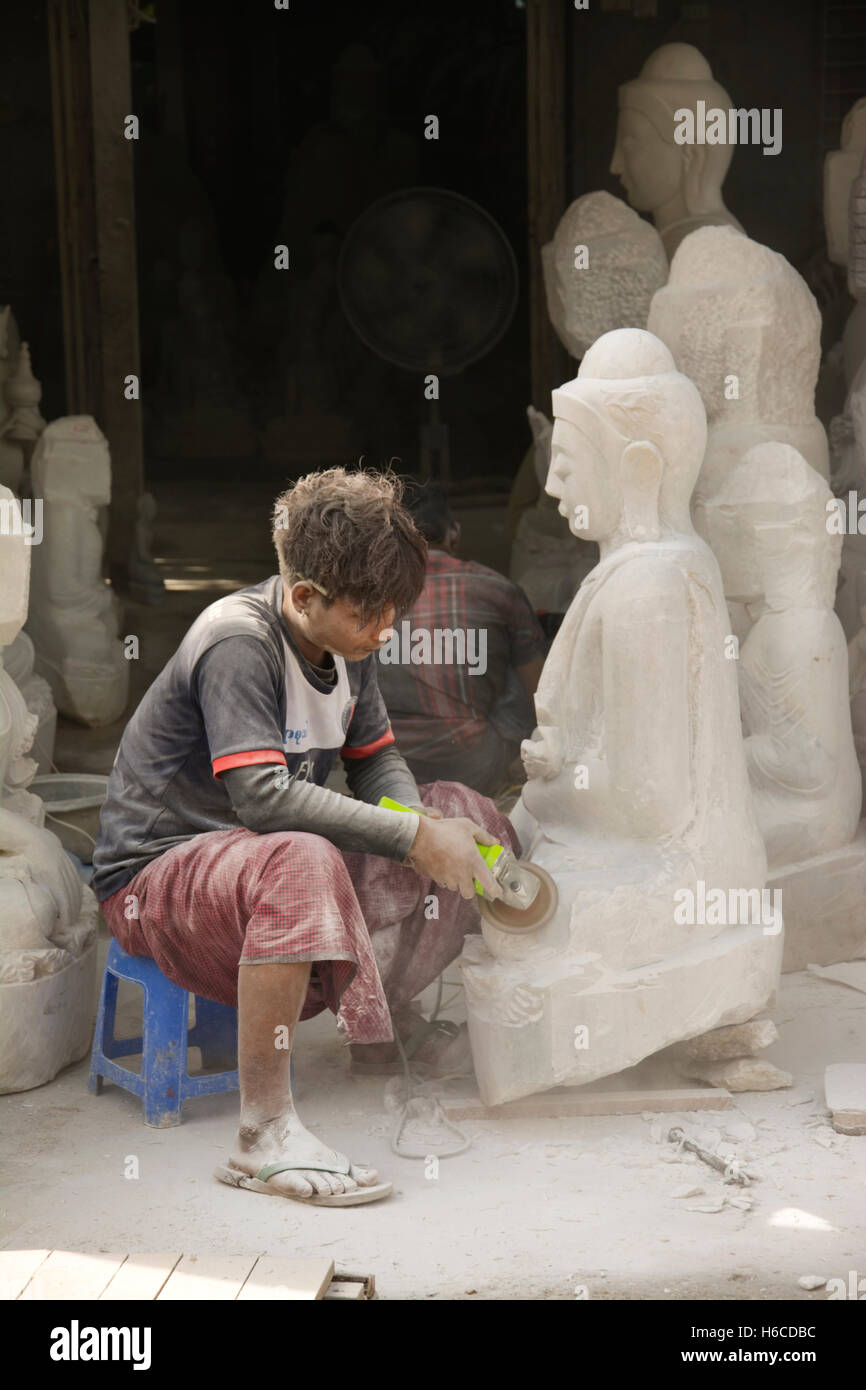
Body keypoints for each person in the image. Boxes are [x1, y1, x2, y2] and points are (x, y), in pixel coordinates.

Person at [91, 468, 519, 1207]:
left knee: (464, 814)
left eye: (393, 613)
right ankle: (262, 1134)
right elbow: (261, 801)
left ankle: (383, 1030)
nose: (384, 631)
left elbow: (375, 756)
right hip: (156, 883)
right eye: (370, 616)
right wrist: (412, 840)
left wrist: (426, 825)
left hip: (261, 868)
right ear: (303, 597)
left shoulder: (350, 643)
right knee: (302, 856)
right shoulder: (237, 642)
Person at [375, 481, 546, 794]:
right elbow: (541, 692)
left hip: (383, 769)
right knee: (514, 658)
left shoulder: (366, 596)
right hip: (475, 766)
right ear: (454, 533)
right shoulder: (499, 589)